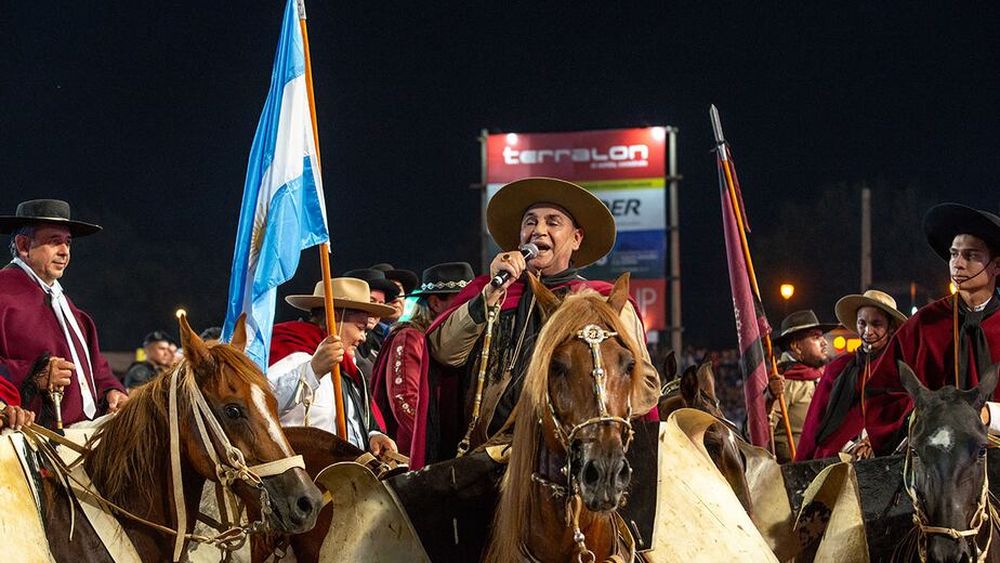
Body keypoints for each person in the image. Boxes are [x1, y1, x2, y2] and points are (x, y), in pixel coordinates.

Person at [427, 177, 659, 451]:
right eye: (530, 222)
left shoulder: (603, 302)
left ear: (576, 238)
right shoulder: (489, 291)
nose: (538, 230)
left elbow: (646, 387)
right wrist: (490, 294)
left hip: (567, 452)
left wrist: (595, 406)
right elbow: (444, 353)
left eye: (552, 222)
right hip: (487, 452)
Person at [865, 203, 1000, 454]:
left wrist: (990, 414)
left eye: (971, 256)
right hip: (936, 461)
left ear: (997, 265)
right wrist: (926, 413)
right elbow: (882, 394)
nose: (957, 264)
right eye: (953, 254)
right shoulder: (924, 324)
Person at [0, 199, 128, 428]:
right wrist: (32, 375)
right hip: (28, 437)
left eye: (67, 243)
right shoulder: (3, 292)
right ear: (23, 245)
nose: (64, 252)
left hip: (84, 435)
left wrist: (111, 390)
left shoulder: (66, 305)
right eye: (54, 242)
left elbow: (95, 365)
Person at [266, 277, 398, 454]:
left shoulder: (349, 369)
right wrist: (312, 371)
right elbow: (262, 407)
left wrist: (373, 435)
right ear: (333, 317)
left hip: (348, 466)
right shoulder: (290, 351)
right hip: (302, 467)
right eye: (360, 328)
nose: (363, 338)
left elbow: (355, 419)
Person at [371, 262, 474, 466]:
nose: (467, 311)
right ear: (435, 303)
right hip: (412, 458)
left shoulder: (450, 344)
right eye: (462, 302)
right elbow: (404, 401)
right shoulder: (410, 337)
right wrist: (436, 443)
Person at [796, 290, 907, 460]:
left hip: (890, 452)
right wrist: (801, 464)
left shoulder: (902, 368)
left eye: (876, 324)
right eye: (862, 323)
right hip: (836, 454)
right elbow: (815, 420)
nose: (868, 331)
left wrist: (873, 440)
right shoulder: (838, 367)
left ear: (890, 327)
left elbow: (906, 414)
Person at [768, 310, 837, 462]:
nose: (824, 342)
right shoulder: (783, 382)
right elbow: (762, 433)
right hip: (796, 468)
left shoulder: (824, 376)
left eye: (822, 336)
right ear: (797, 346)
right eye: (816, 337)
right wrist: (769, 398)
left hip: (825, 461)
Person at [343, 268, 401, 372]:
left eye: (381, 304)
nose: (376, 311)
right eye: (371, 302)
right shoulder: (339, 345)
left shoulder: (378, 343)